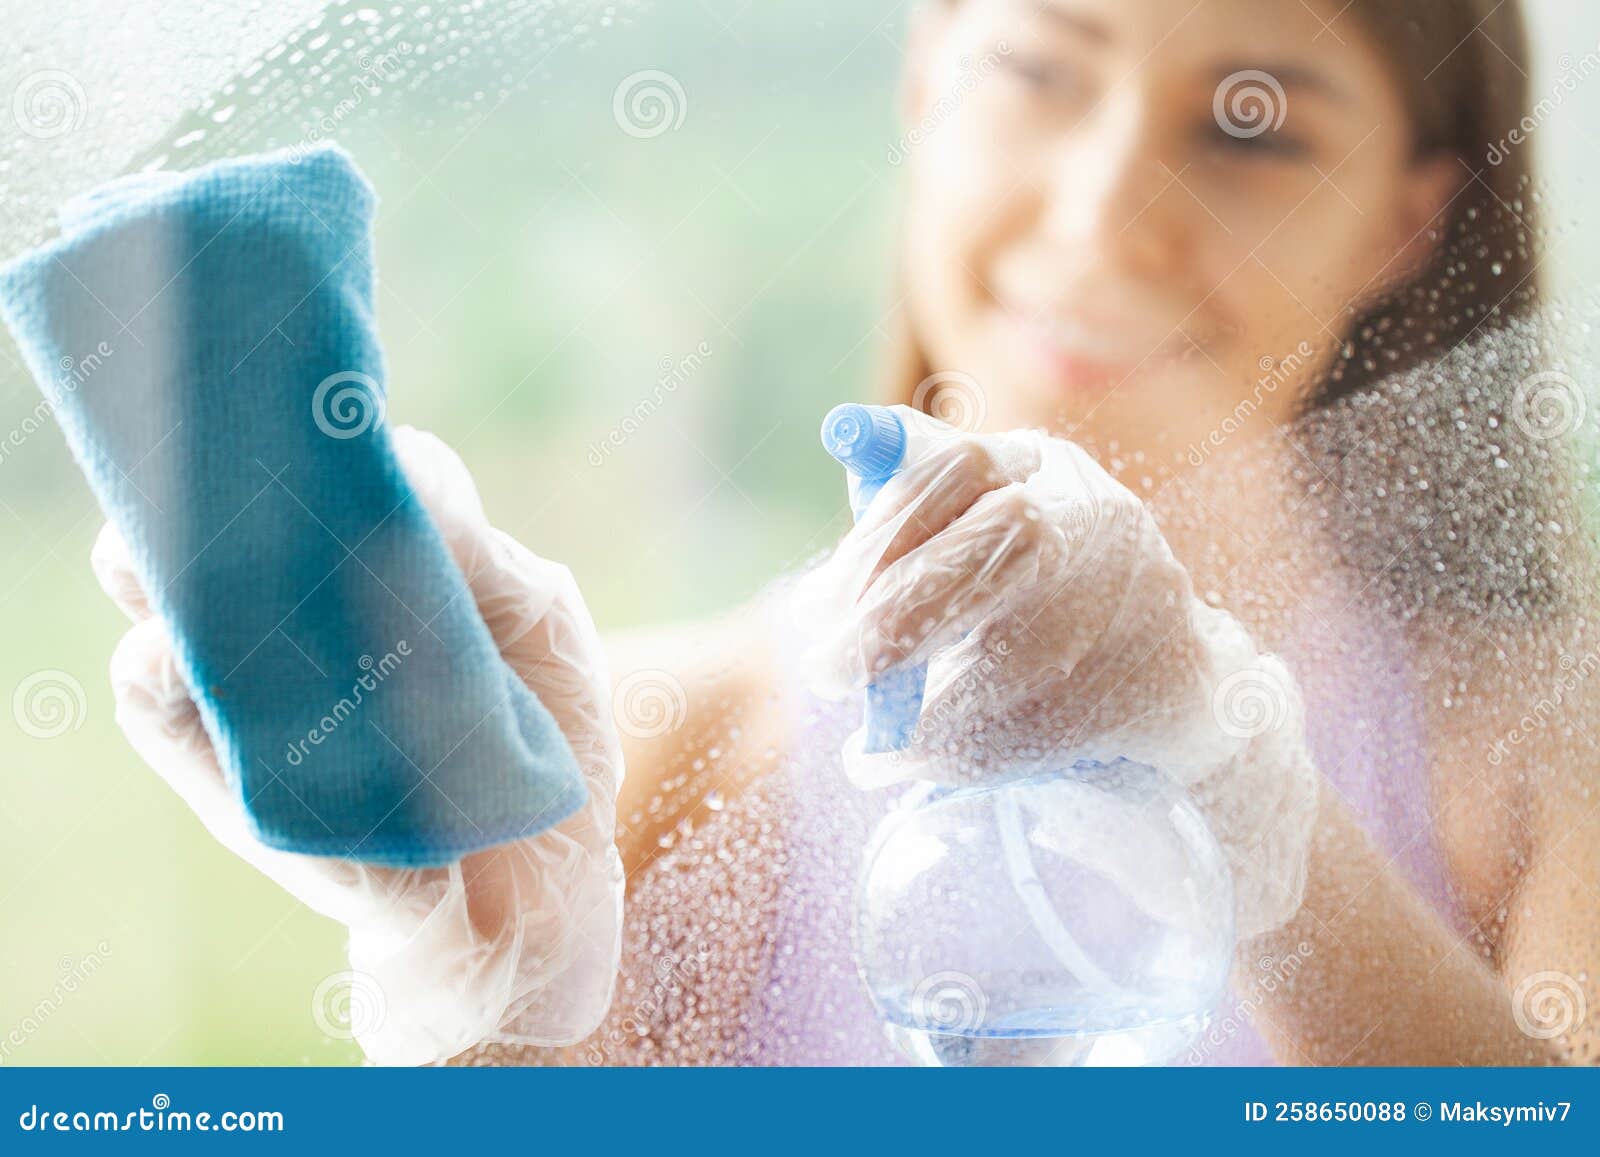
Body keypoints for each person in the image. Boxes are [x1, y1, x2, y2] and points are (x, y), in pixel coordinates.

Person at [98, 0, 1599, 1066]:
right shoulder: (656, 754)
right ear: (926, 78)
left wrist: (1244, 800)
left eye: (1249, 128)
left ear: (1410, 221)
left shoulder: (1549, 755)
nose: (1102, 214)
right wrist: (471, 984)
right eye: (1037, 67)